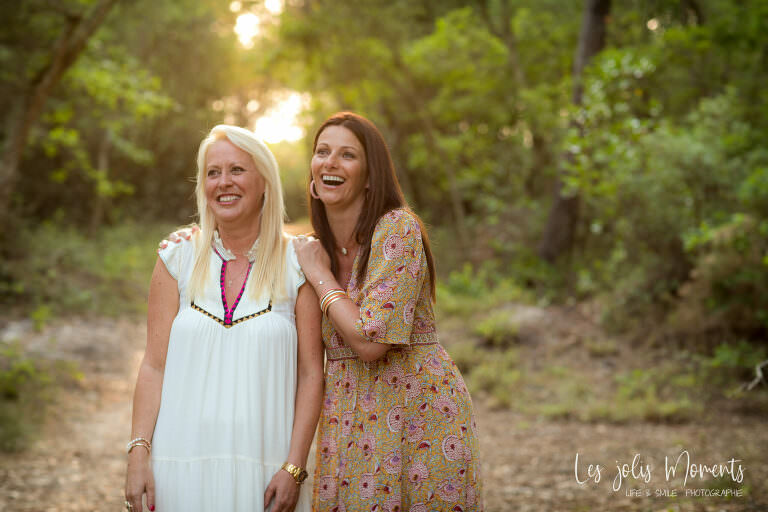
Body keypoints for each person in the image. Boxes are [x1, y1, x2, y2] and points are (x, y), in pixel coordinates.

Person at [124, 125, 324, 512]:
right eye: (213, 172)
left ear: (264, 181)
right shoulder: (175, 257)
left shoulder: (298, 263)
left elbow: (311, 375)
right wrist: (138, 454)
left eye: (237, 170)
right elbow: (153, 365)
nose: (223, 182)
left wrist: (295, 468)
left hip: (266, 471)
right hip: (178, 468)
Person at [293, 112, 483, 511]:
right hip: (347, 415)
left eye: (347, 155)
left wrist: (320, 276)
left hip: (420, 413)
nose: (330, 162)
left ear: (369, 176)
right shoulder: (314, 249)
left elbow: (370, 342)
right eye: (322, 152)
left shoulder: (396, 229)